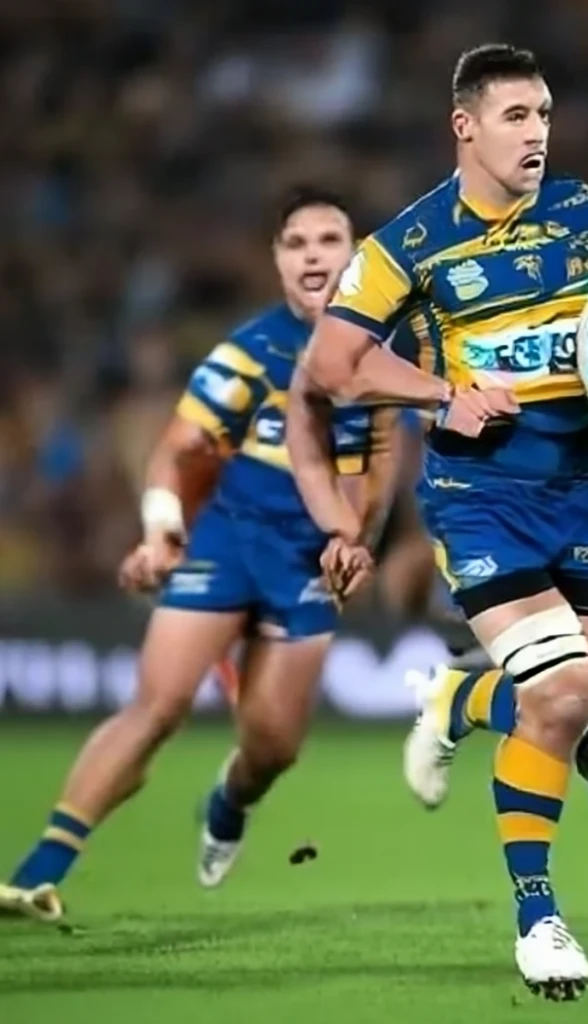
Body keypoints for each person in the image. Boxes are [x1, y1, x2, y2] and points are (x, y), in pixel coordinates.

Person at [286, 44, 588, 1000]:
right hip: (481, 500)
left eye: (546, 115)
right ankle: (538, 917)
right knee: (562, 696)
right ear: (465, 126)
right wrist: (442, 393)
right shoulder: (411, 244)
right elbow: (333, 363)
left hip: (586, 496)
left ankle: (459, 701)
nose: (537, 134)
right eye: (517, 117)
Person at [0, 186, 386, 922]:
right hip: (228, 546)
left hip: (303, 567)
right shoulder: (250, 352)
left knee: (272, 746)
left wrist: (354, 541)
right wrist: (158, 528)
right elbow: (176, 449)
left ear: (354, 255)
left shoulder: (379, 359)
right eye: (295, 243)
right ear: (278, 262)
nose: (312, 255)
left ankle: (230, 799)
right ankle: (40, 870)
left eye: (328, 240)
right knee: (158, 704)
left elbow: (371, 474)